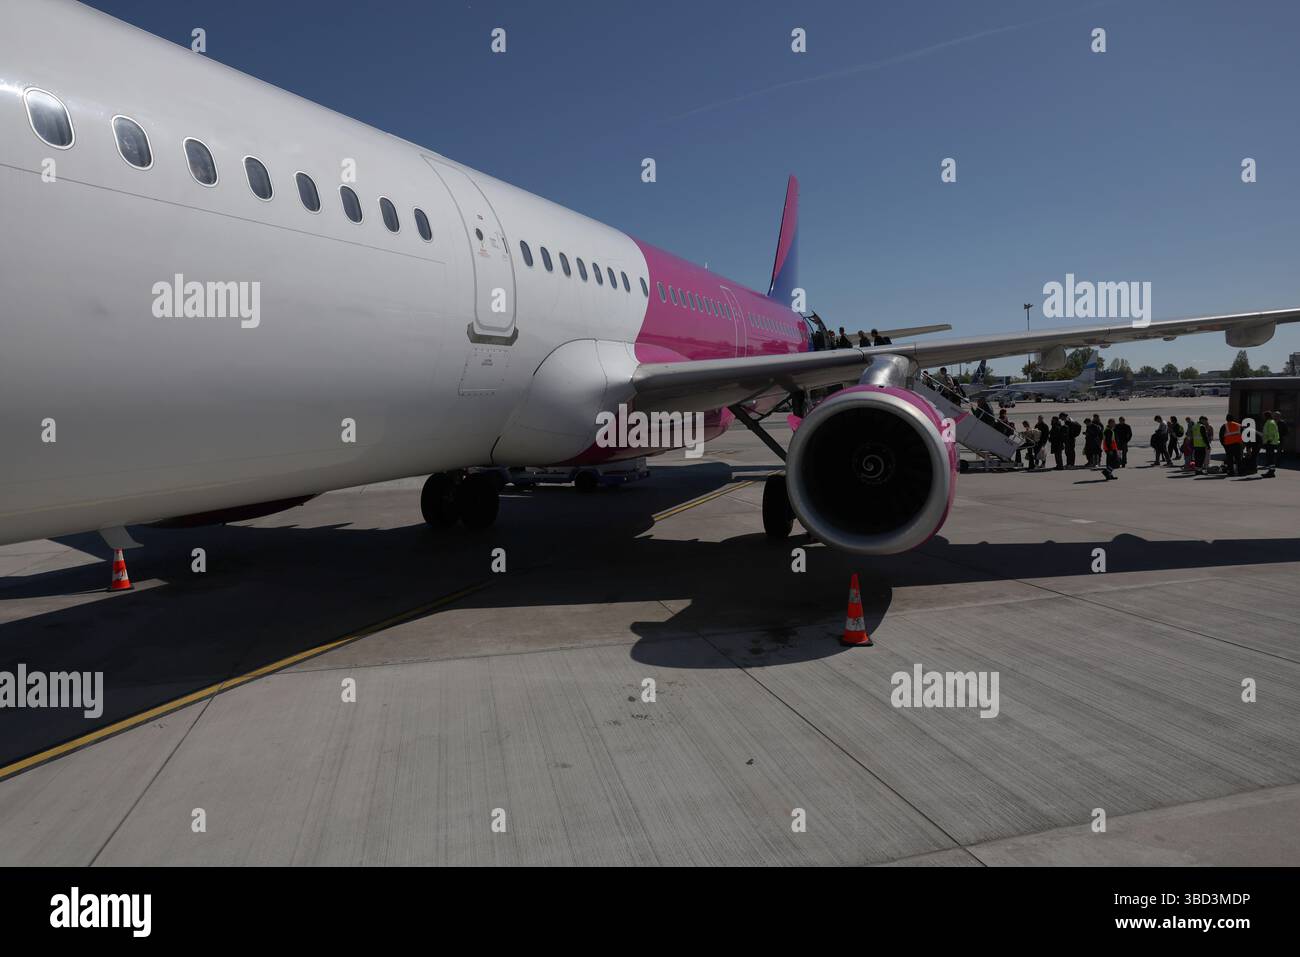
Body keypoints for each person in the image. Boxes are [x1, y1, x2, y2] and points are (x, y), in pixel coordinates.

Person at [1261, 410, 1281, 478]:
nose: (1263, 417)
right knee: (1270, 458)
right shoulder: (1270, 422)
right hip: (1270, 443)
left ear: (1267, 416)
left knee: (1270, 458)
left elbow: (1272, 434)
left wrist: (1269, 441)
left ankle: (1271, 472)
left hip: (1270, 443)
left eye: (1264, 416)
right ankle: (1271, 471)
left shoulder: (1270, 422)